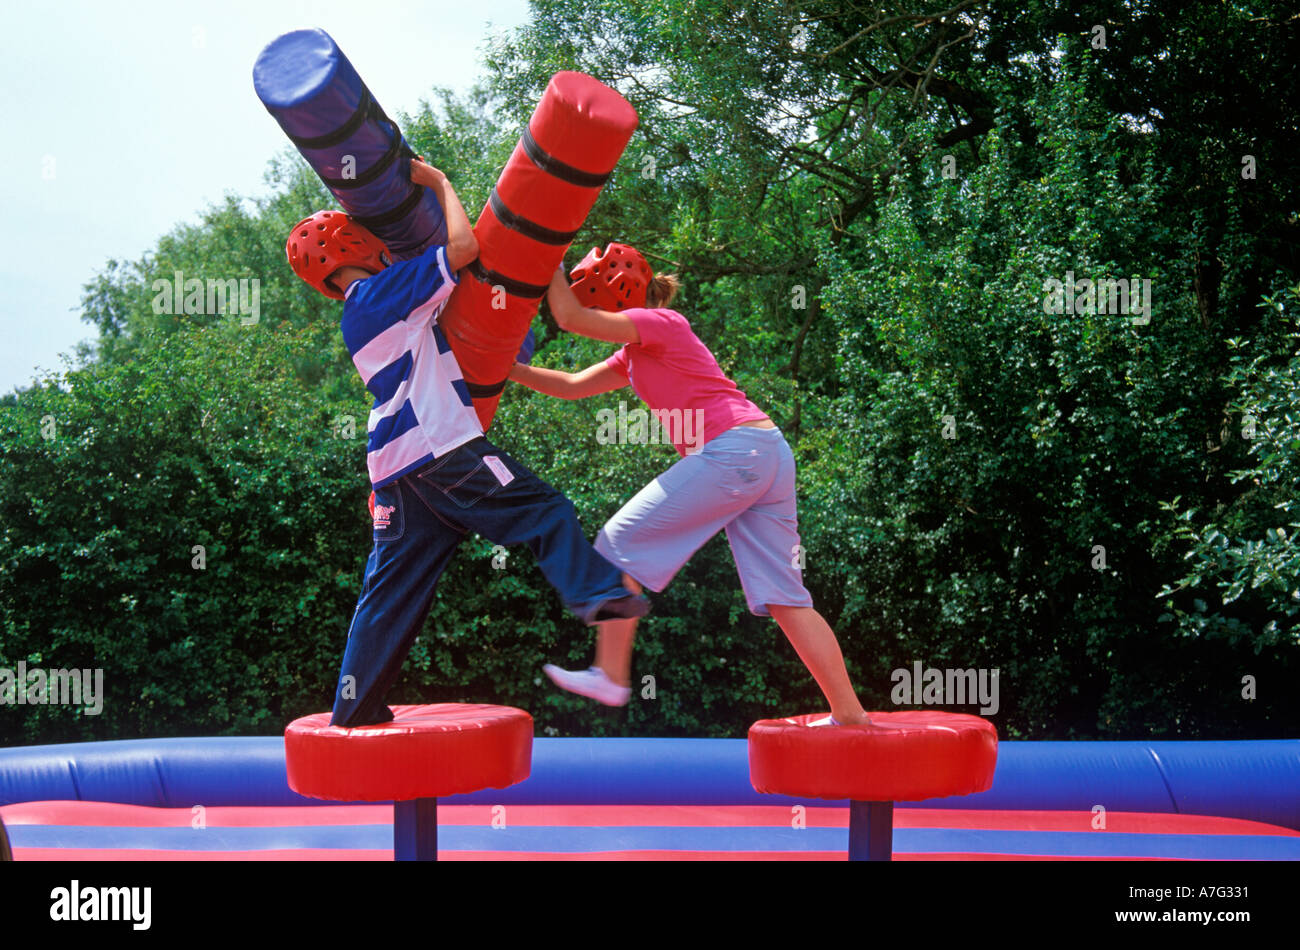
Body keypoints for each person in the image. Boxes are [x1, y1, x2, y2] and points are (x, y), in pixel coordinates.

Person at [285, 164, 647, 728]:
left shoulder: (357, 316)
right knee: (545, 511)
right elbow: (464, 246)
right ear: (348, 243)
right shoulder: (383, 291)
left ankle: (354, 709)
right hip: (443, 451)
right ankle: (600, 596)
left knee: (389, 593)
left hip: (395, 470)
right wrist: (438, 182)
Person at [508, 243, 869, 726]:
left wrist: (545, 258)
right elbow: (571, 385)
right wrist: (505, 370)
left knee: (617, 542)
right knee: (785, 597)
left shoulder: (663, 324)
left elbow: (569, 317)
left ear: (613, 293)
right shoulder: (633, 355)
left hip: (736, 450)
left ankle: (610, 676)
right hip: (765, 453)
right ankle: (850, 715)